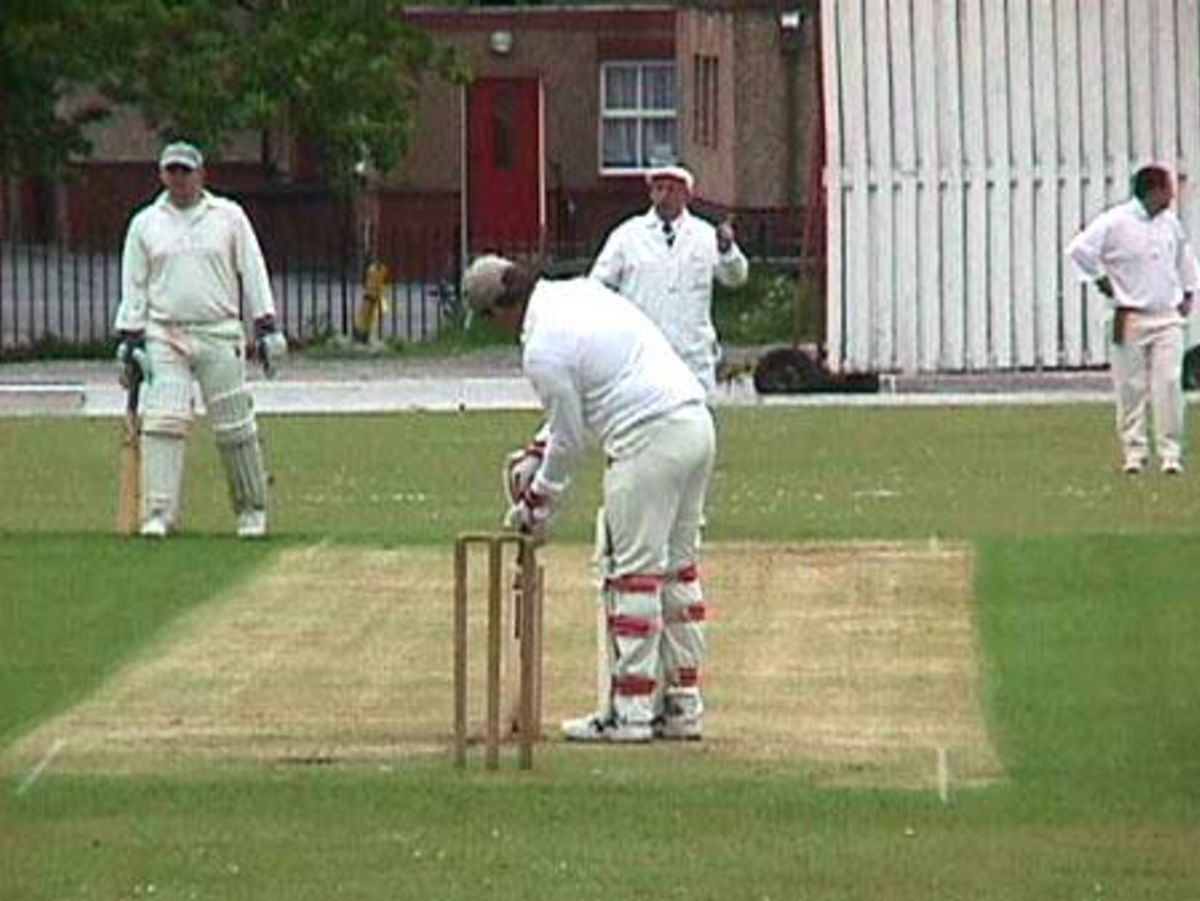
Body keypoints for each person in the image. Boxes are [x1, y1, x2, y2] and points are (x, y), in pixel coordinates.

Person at [463, 254, 716, 743]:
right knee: (678, 572)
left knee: (633, 577)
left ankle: (631, 713)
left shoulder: (541, 347)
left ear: (500, 309)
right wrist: (538, 456)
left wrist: (537, 504)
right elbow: (568, 420)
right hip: (695, 423)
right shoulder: (576, 292)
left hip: (647, 438)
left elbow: (569, 440)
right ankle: (683, 706)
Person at [114, 140, 287, 538]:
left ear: (201, 174)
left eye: (185, 171)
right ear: (162, 175)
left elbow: (253, 270)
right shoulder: (145, 223)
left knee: (235, 427)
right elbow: (134, 285)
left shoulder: (228, 217)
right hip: (165, 333)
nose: (179, 179)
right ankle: (158, 513)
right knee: (163, 421)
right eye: (171, 171)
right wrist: (130, 339)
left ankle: (251, 511)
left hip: (219, 330)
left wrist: (266, 326)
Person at [1066, 164, 1200, 474]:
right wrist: (1099, 278)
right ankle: (1134, 453)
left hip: (1166, 316)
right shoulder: (1116, 222)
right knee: (1130, 387)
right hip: (1129, 316)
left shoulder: (1170, 224)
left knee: (1168, 384)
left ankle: (1170, 454)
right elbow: (1078, 251)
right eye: (1167, 188)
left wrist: (1189, 292)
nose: (1172, 194)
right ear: (1153, 191)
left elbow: (1184, 257)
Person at [589, 164, 749, 395]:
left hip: (692, 354)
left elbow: (736, 278)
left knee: (695, 422)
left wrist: (727, 251)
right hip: (641, 352)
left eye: (671, 189)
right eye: (658, 188)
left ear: (687, 195)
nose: (664, 196)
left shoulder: (704, 235)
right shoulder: (627, 235)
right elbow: (598, 285)